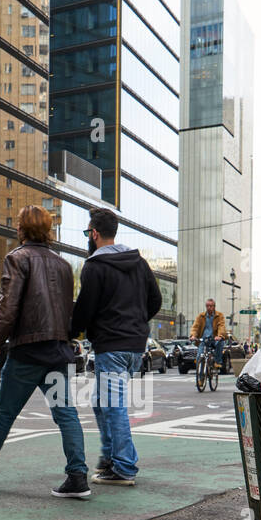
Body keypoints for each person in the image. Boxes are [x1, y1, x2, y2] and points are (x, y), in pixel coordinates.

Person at [0, 206, 90, 497]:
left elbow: (7, 308)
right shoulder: (63, 265)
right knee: (66, 413)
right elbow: (67, 309)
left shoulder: (17, 258)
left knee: (5, 413)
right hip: (57, 350)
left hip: (27, 350)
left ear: (21, 229)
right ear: (48, 230)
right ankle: (77, 476)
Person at [69, 207, 162, 487]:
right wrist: (136, 323)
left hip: (112, 346)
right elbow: (155, 299)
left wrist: (71, 332)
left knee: (113, 404)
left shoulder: (95, 267)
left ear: (95, 234)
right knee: (102, 401)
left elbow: (85, 309)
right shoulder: (139, 263)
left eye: (88, 232)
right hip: (135, 346)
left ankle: (124, 466)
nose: (89, 237)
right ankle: (111, 459)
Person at [191, 299, 227, 372]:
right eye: (207, 306)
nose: (209, 307)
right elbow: (195, 327)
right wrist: (193, 336)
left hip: (214, 339)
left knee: (220, 342)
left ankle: (217, 362)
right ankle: (200, 378)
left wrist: (220, 336)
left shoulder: (219, 315)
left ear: (214, 307)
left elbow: (221, 326)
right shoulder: (200, 316)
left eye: (211, 306)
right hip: (204, 340)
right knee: (199, 357)